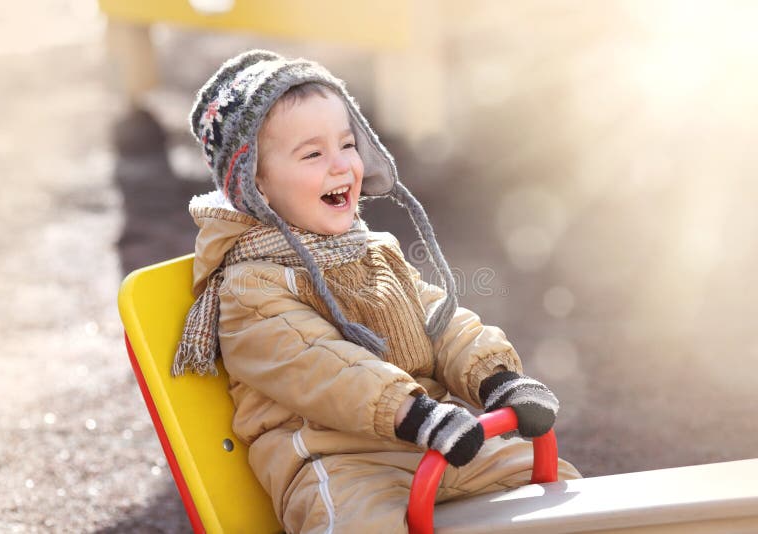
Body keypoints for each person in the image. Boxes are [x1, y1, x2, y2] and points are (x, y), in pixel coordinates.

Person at [173, 49, 581, 533]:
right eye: (312, 153)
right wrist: (412, 411)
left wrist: (494, 377)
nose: (341, 165)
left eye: (347, 144)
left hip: (431, 438)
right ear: (255, 183)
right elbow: (321, 366)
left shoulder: (368, 249)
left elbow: (437, 318)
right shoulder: (248, 286)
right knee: (356, 524)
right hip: (339, 458)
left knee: (551, 487)